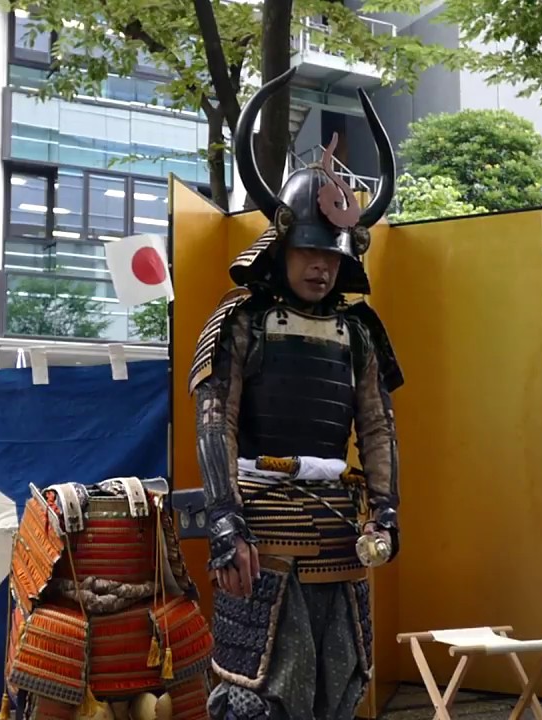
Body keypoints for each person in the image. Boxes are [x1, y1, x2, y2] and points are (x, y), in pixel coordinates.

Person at [189, 65, 402, 720]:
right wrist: (225, 522)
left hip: (339, 533)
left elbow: (377, 427)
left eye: (332, 254)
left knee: (340, 684)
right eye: (309, 250)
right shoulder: (243, 319)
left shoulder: (358, 331)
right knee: (255, 696)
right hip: (261, 531)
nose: (320, 265)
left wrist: (388, 512)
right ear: (281, 245)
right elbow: (214, 419)